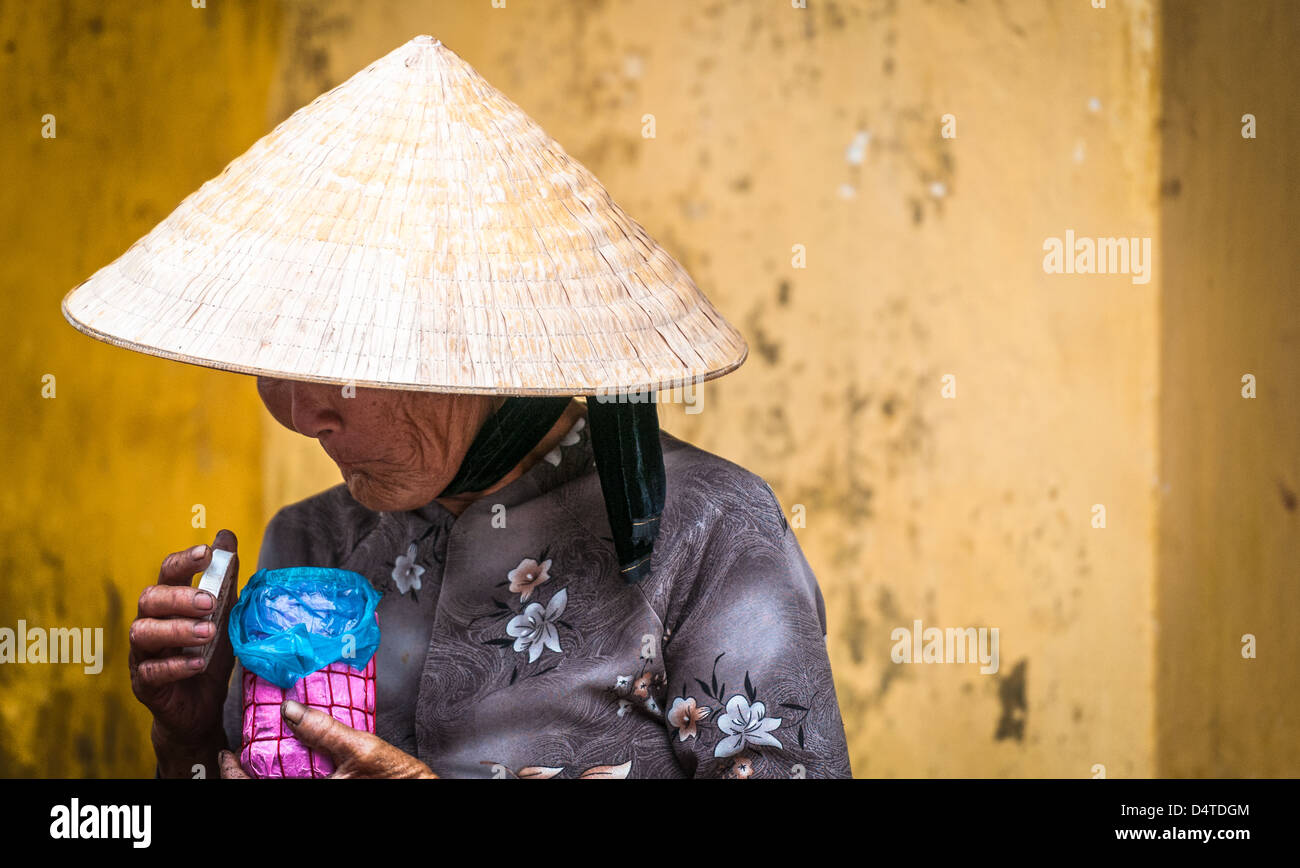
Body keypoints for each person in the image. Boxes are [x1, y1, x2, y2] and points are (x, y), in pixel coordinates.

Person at [68, 36, 851, 778]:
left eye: (346, 366)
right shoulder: (314, 543)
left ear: (483, 351)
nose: (302, 415)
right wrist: (191, 735)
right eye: (277, 361)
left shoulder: (710, 534)